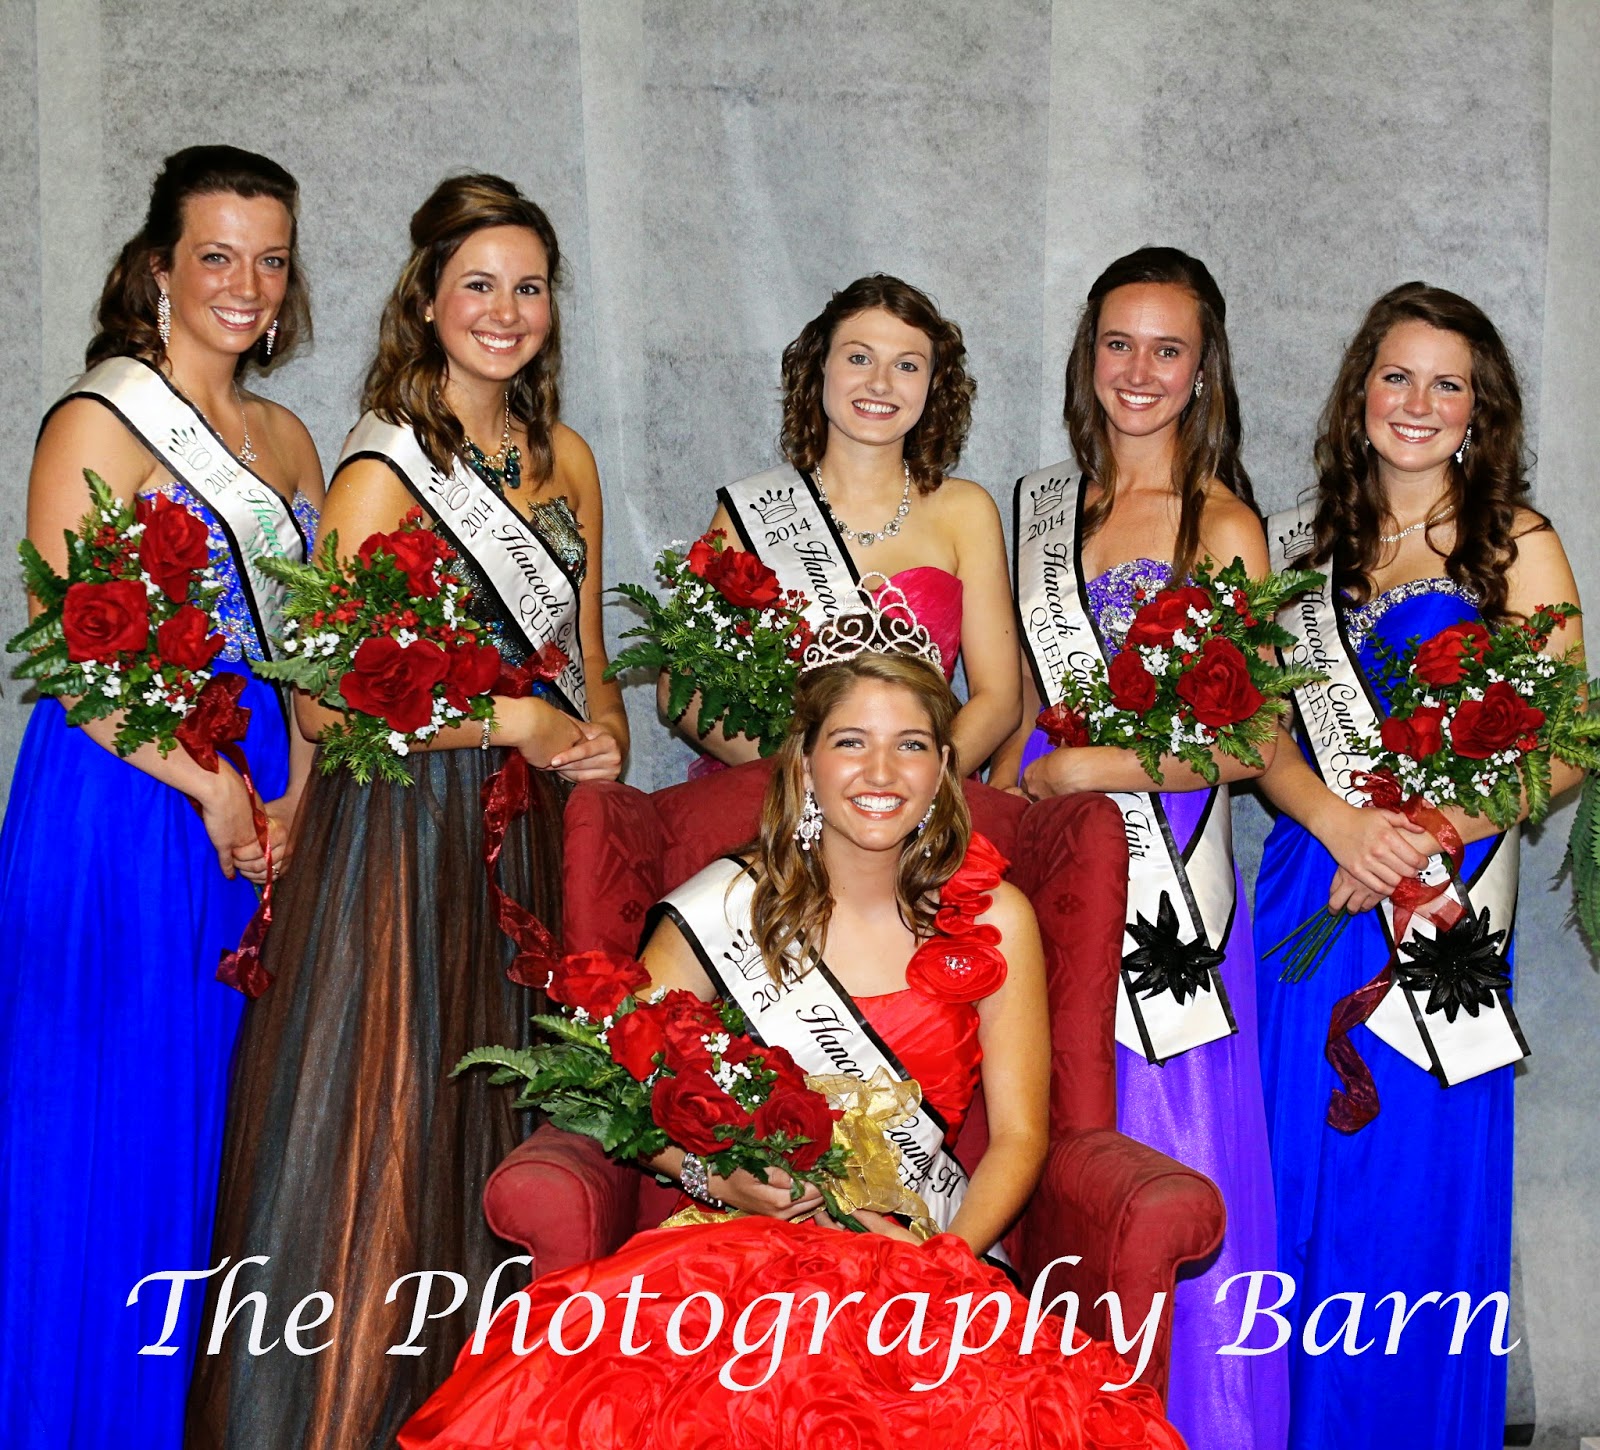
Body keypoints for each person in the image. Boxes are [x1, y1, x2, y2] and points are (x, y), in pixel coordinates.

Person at [399, 594, 1185, 1450]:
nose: (880, 773)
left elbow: (1025, 1136)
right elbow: (624, 1086)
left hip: (928, 1252)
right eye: (851, 742)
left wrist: (942, 1266)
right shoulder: (731, 903)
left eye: (910, 745)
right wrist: (716, 1180)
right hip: (742, 1250)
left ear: (943, 770)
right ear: (805, 766)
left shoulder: (997, 915)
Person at [187, 174, 627, 1449]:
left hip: (529, 846)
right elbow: (322, 709)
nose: (505, 311)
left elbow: (583, 668)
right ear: (426, 299)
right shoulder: (383, 466)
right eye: (477, 284)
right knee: (385, 1140)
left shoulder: (569, 463)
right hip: (395, 842)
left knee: (507, 1150)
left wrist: (596, 736)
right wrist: (517, 724)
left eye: (529, 286)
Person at [0, 145, 322, 1449]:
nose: (246, 284)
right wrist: (211, 787)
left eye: (272, 257)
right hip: (127, 797)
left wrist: (296, 792)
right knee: (103, 1134)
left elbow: (309, 653)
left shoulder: (289, 438)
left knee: (210, 1136)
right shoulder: (101, 417)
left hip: (254, 806)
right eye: (218, 254)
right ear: (158, 268)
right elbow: (62, 643)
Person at [1254, 284, 1584, 1450]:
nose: (1419, 403)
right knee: (1296, 1185)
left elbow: (1556, 752)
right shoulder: (1305, 552)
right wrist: (1342, 828)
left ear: (1479, 411)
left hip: (1432, 909)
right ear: (1359, 395)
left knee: (1405, 1196)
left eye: (1449, 383)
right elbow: (1266, 737)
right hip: (1310, 890)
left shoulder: (1514, 544)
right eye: (1397, 376)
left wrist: (1420, 831)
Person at [991, 246, 1288, 1449]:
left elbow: (1250, 739)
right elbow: (1014, 704)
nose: (1139, 371)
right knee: (1048, 1134)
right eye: (1118, 343)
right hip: (1052, 860)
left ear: (1203, 367)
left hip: (1167, 875)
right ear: (1086, 354)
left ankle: (1197, 1421)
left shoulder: (1224, 525)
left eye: (1168, 349)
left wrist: (1092, 769)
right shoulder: (1042, 505)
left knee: (1168, 1148)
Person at [664, 274, 1020, 777]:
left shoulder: (967, 511)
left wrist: (918, 786)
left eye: (907, 365)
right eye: (858, 358)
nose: (880, 382)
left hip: (926, 799)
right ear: (819, 367)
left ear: (933, 385)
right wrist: (806, 786)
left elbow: (1000, 698)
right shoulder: (752, 509)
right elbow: (681, 686)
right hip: (774, 795)